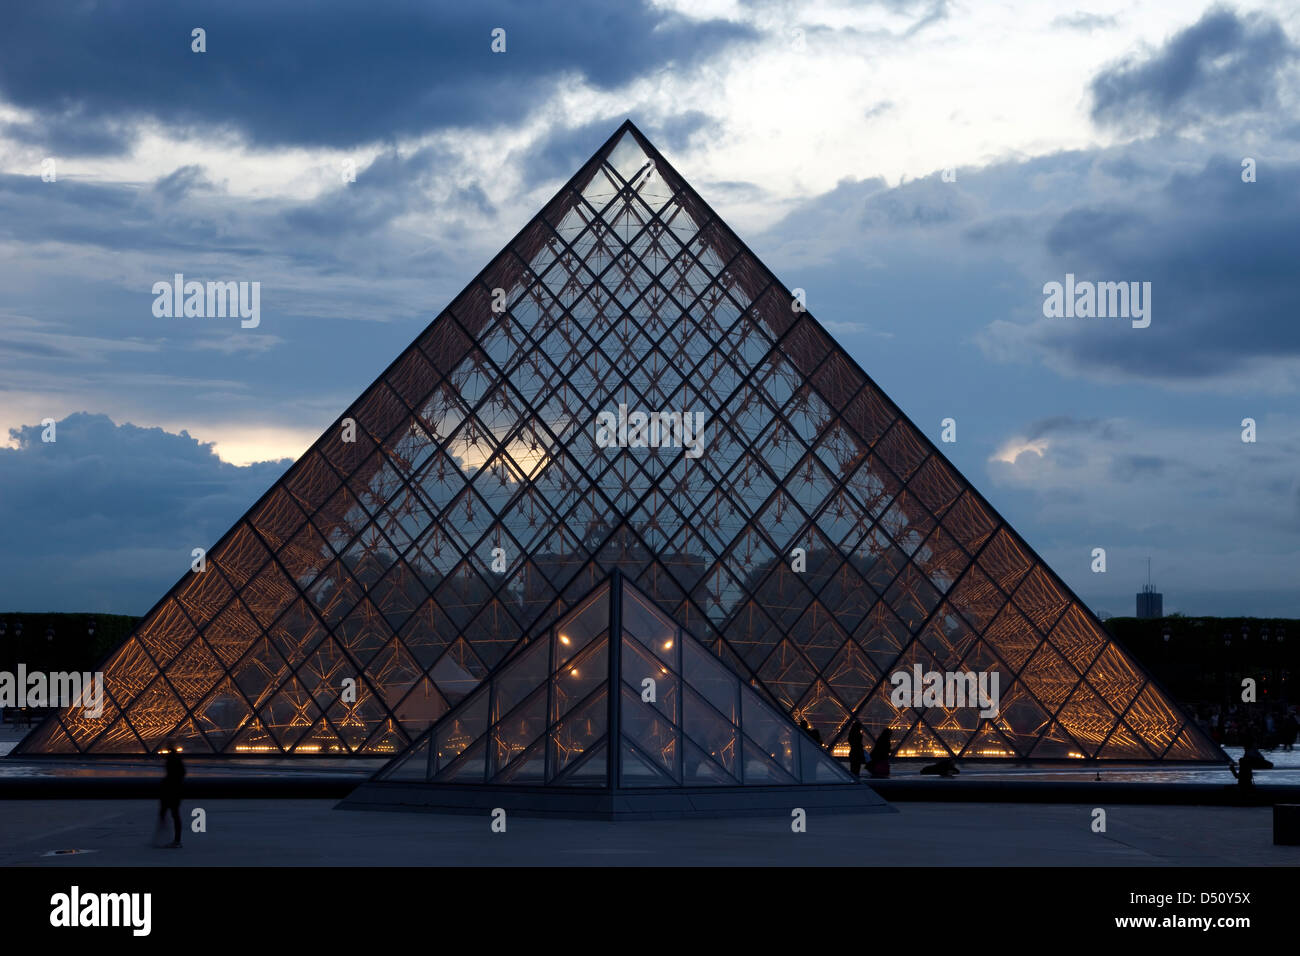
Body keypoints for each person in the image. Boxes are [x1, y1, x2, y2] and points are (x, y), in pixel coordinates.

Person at [158, 742, 185, 849]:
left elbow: (172, 774)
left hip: (170, 790)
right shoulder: (177, 759)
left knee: (166, 814)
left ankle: (167, 838)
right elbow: (182, 773)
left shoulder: (172, 760)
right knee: (174, 815)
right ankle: (175, 839)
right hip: (176, 790)